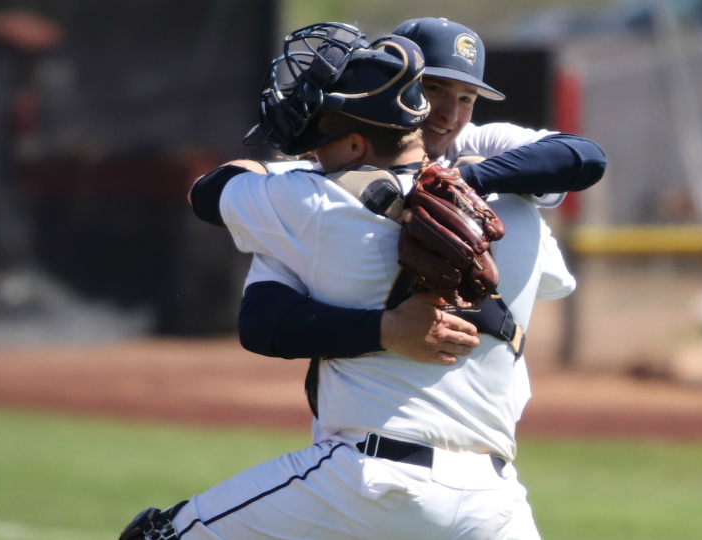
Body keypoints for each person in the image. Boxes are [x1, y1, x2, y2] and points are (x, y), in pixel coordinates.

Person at [120, 23, 577, 540]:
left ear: (355, 141)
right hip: (494, 505)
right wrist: (473, 187)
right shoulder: (514, 208)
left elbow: (211, 201)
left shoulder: (307, 206)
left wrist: (383, 327)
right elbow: (559, 267)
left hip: (367, 481)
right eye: (434, 91)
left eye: (323, 133)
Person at [236, 17, 606, 367]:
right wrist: (386, 329)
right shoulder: (330, 171)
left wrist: (463, 180)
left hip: (481, 352)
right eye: (434, 88)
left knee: (513, 185)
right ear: (394, 83)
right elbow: (259, 321)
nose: (449, 114)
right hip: (378, 389)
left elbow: (586, 157)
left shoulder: (474, 143)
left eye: (466, 98)